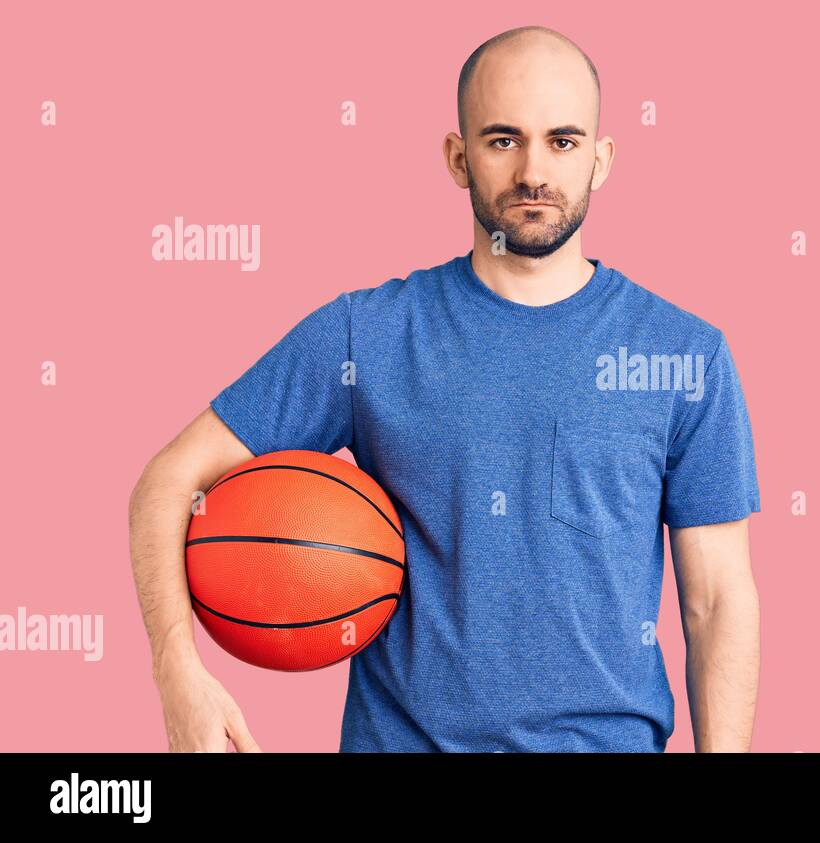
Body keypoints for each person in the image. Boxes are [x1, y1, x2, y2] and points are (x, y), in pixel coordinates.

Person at [128, 25, 760, 752]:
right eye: (502, 140)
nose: (533, 172)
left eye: (562, 141)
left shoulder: (686, 355)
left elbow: (716, 601)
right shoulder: (366, 335)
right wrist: (178, 674)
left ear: (601, 158)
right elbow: (168, 479)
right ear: (458, 158)